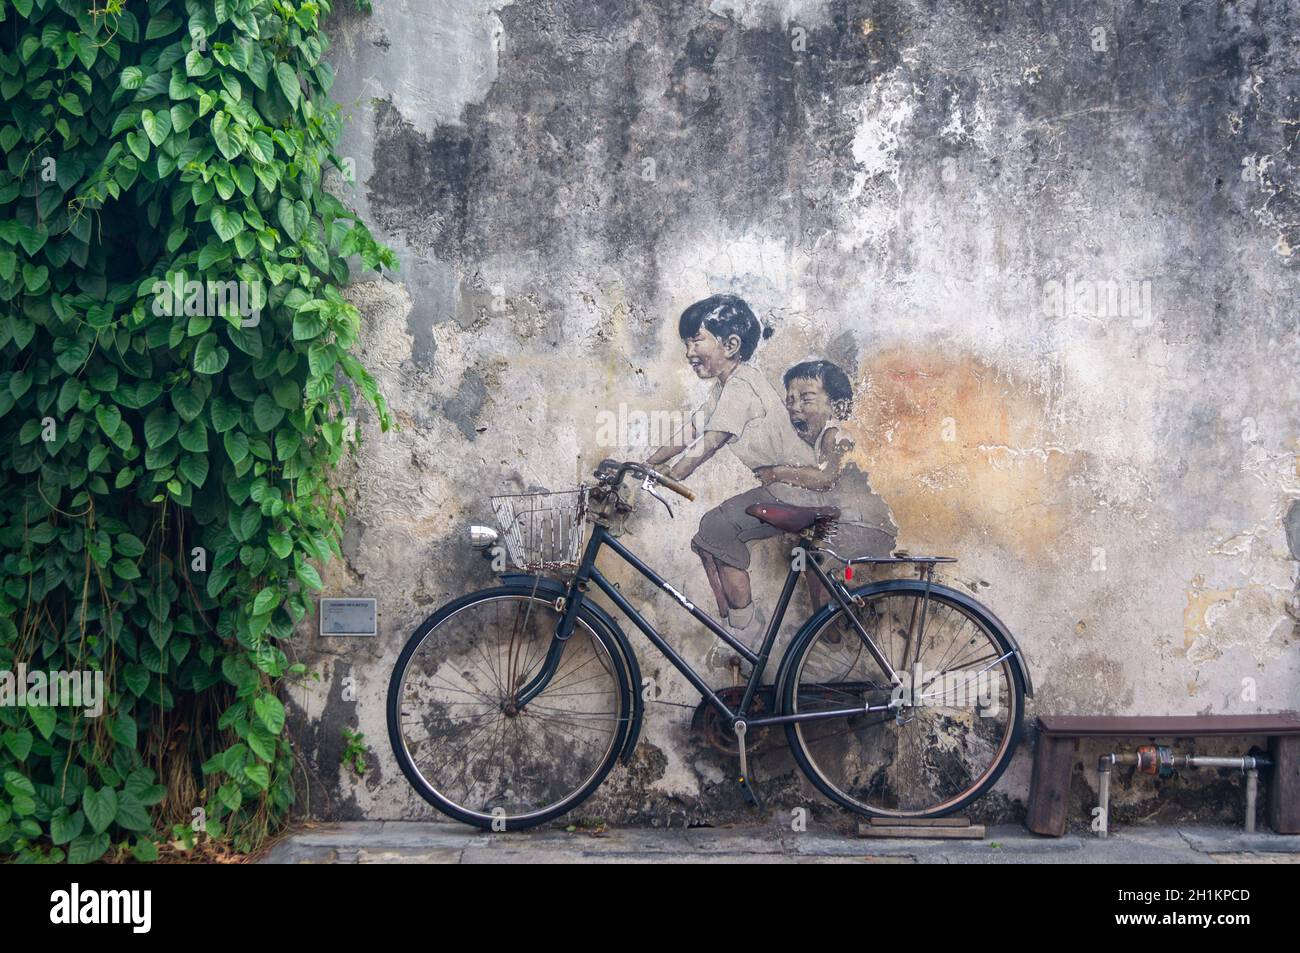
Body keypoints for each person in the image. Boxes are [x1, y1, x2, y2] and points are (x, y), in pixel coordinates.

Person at [646, 295, 814, 641]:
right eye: (686, 343)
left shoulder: (742, 386)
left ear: (731, 345)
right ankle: (737, 622)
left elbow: (709, 443)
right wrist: (647, 464)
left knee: (718, 526)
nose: (689, 352)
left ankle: (743, 629)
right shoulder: (727, 385)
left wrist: (671, 476)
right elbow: (690, 431)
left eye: (696, 340)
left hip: (797, 488)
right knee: (713, 530)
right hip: (781, 488)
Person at [754, 359, 898, 614]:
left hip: (862, 526)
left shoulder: (835, 434)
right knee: (812, 562)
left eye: (806, 399)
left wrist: (776, 473)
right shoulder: (818, 440)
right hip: (848, 522)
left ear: (838, 407)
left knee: (817, 561)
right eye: (790, 400)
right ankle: (826, 629)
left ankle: (828, 628)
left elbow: (825, 478)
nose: (795, 408)